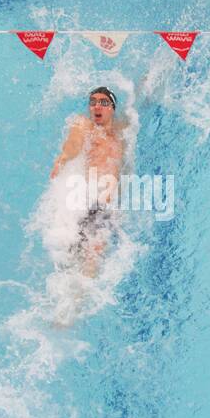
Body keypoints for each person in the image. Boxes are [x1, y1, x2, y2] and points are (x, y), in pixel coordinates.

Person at [51, 86, 125, 276]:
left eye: (103, 103)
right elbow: (74, 144)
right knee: (82, 265)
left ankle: (75, 301)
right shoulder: (84, 124)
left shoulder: (122, 129)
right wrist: (64, 157)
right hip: (89, 203)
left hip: (107, 207)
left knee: (88, 265)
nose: (96, 107)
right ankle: (73, 301)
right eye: (92, 103)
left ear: (112, 108)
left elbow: (139, 100)